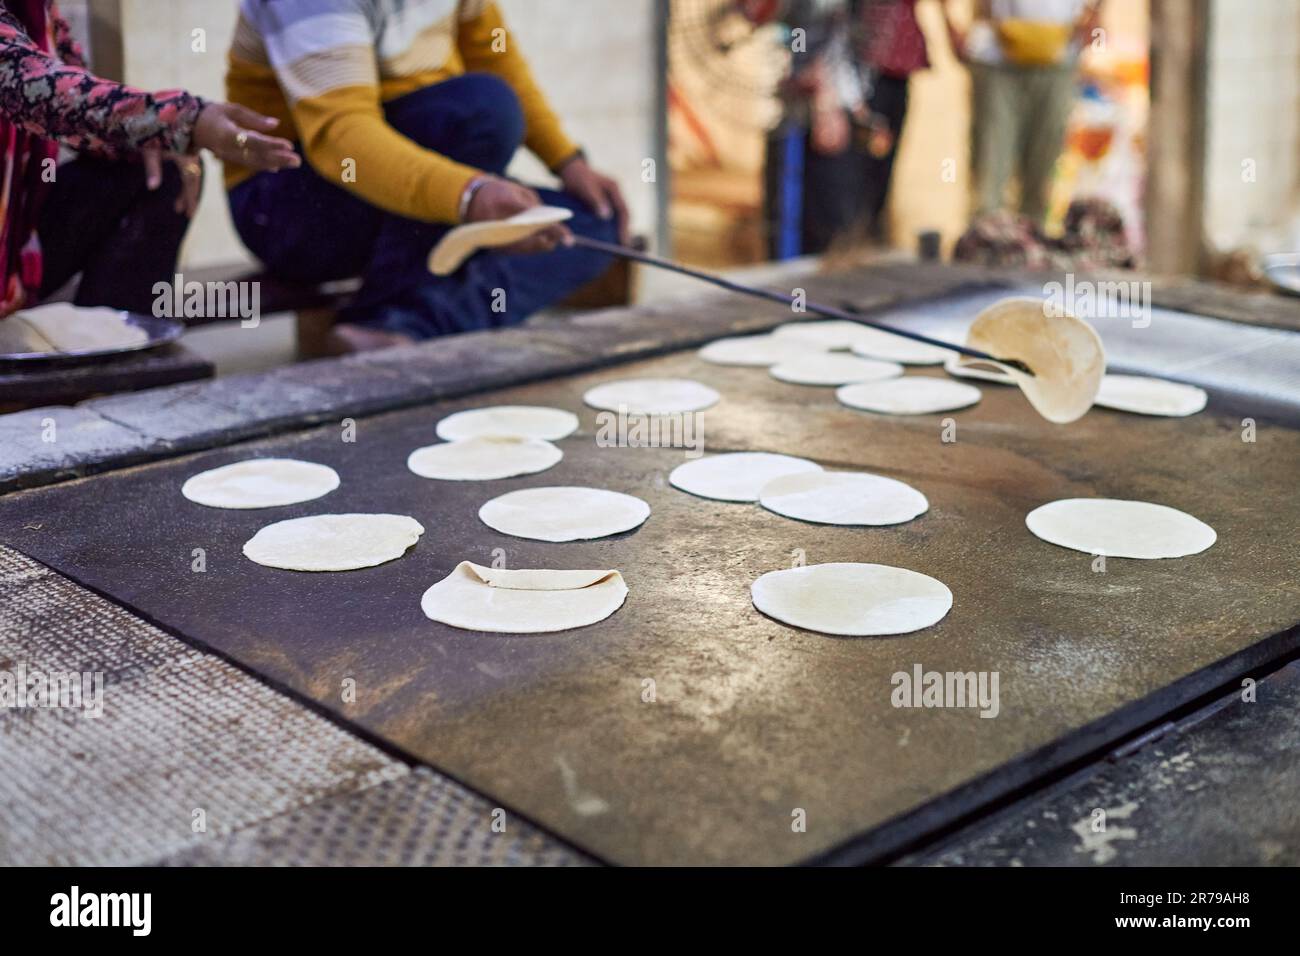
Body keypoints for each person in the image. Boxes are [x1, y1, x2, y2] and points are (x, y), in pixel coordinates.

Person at [224, 0, 630, 352]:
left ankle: (408, 326)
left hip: (412, 182)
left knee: (591, 222)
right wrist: (471, 195)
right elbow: (342, 140)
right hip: (290, 205)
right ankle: (392, 318)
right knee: (480, 110)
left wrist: (567, 161)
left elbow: (491, 54)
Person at [0, 0, 299, 319]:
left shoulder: (37, 10)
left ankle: (116, 351)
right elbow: (32, 87)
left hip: (16, 242)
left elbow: (79, 108)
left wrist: (149, 134)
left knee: (159, 169)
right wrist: (181, 120)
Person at [769, 0, 952, 256]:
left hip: (848, 98)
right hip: (814, 109)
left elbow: (842, 43)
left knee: (849, 200)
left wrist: (856, 108)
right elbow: (805, 41)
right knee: (819, 215)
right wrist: (825, 101)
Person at [954, 0, 1104, 224]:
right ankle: (985, 241)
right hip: (996, 56)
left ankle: (1032, 241)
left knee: (1043, 171)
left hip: (1059, 55)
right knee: (991, 166)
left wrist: (1095, 16)